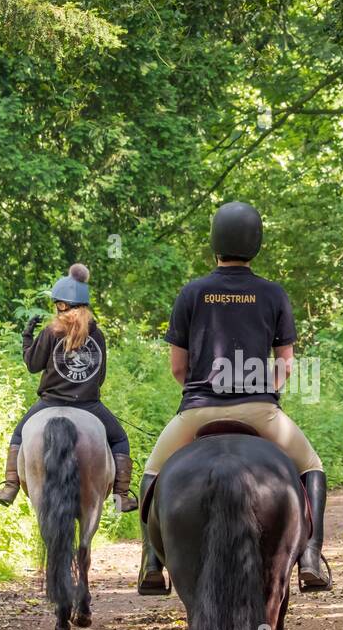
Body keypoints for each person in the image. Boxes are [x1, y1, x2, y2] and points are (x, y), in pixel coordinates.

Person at [136, 200, 331, 594]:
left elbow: (178, 367)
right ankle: (310, 554)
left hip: (197, 412)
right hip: (260, 411)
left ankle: (152, 562)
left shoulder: (192, 293)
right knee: (312, 466)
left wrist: (202, 391)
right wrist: (264, 394)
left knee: (153, 473)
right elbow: (286, 366)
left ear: (215, 243)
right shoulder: (273, 294)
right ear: (256, 242)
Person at [0, 263, 138, 511]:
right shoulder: (97, 335)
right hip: (89, 405)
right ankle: (122, 495)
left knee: (18, 435)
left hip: (50, 403)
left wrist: (27, 337)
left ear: (61, 305)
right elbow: (99, 376)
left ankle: (10, 486)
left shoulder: (51, 331)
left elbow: (33, 364)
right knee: (120, 439)